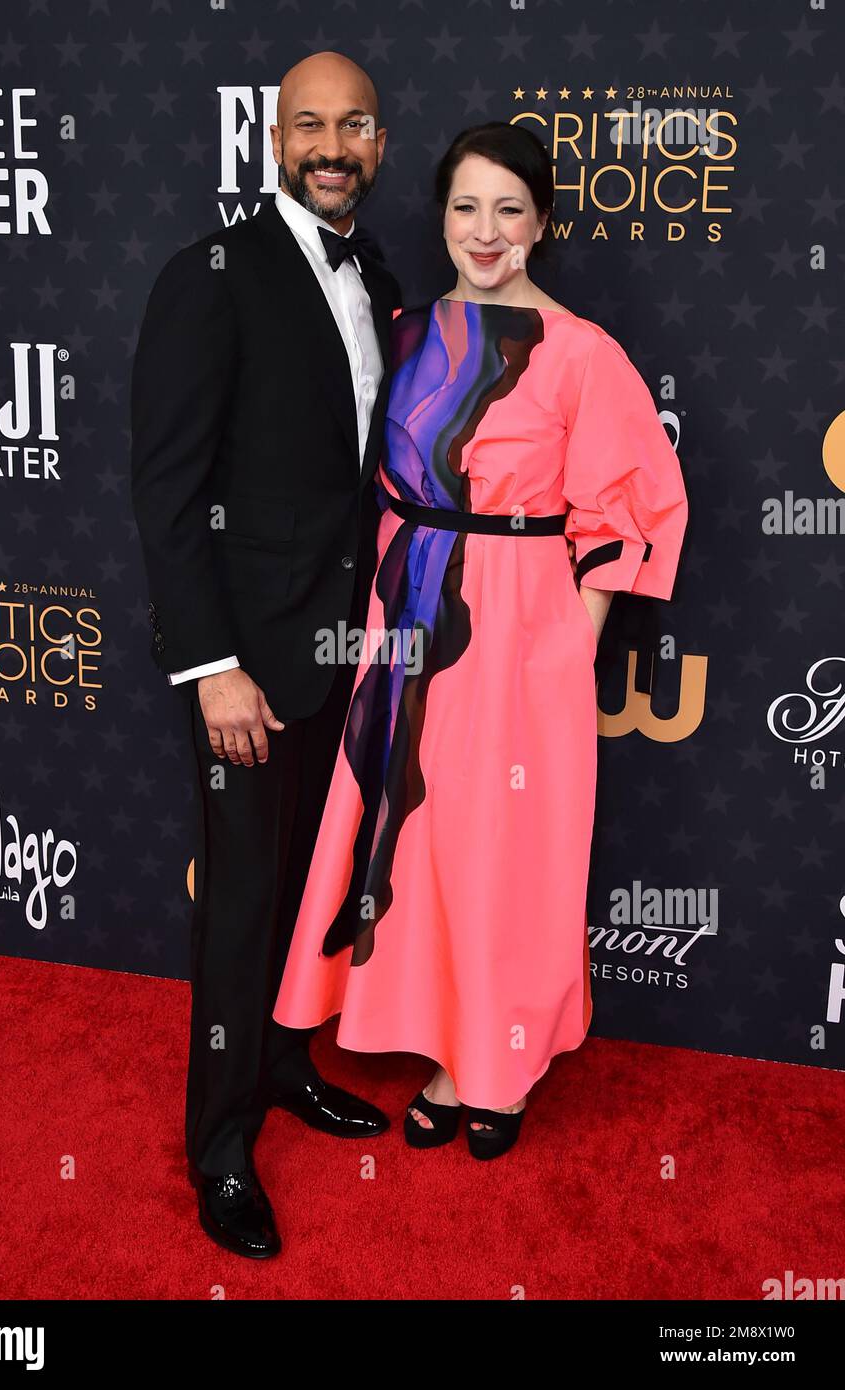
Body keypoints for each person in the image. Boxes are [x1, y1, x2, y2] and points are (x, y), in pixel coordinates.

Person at [273, 121, 689, 1160]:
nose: (486, 230)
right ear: (443, 218)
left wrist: (568, 647)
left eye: (510, 209)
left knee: (512, 854)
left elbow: (630, 513)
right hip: (405, 615)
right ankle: (431, 1038)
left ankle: (493, 1067)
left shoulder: (582, 352)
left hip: (521, 625)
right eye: (467, 207)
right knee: (418, 835)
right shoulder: (408, 332)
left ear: (542, 222)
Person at [129, 52, 402, 1259]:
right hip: (244, 667)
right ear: (274, 139)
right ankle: (220, 1146)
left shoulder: (378, 277)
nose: (330, 145)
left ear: (378, 147)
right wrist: (209, 666)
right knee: (241, 903)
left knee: (308, 888)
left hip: (344, 651)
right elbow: (168, 490)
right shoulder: (212, 277)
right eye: (309, 126)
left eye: (352, 126)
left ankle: (287, 1060)